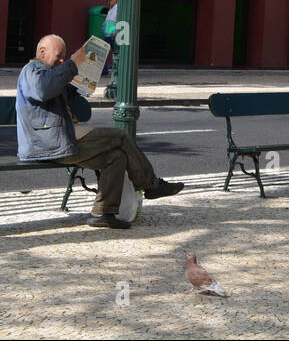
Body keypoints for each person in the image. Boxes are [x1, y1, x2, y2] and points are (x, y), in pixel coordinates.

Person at [17, 34, 183, 229]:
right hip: (46, 143)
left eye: (64, 57)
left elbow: (58, 93)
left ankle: (103, 213)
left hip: (54, 140)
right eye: (59, 55)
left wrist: (85, 81)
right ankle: (151, 184)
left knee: (116, 156)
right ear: (43, 51)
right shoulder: (32, 69)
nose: (62, 60)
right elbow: (44, 90)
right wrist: (71, 63)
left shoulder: (49, 73)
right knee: (120, 136)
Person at [101, 0, 118, 77]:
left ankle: (116, 70)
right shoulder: (111, 9)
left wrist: (114, 32)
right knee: (103, 52)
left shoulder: (117, 8)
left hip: (112, 33)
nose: (108, 3)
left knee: (116, 52)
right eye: (107, 1)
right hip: (108, 33)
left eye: (109, 1)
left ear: (114, 0)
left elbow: (117, 21)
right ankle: (104, 70)